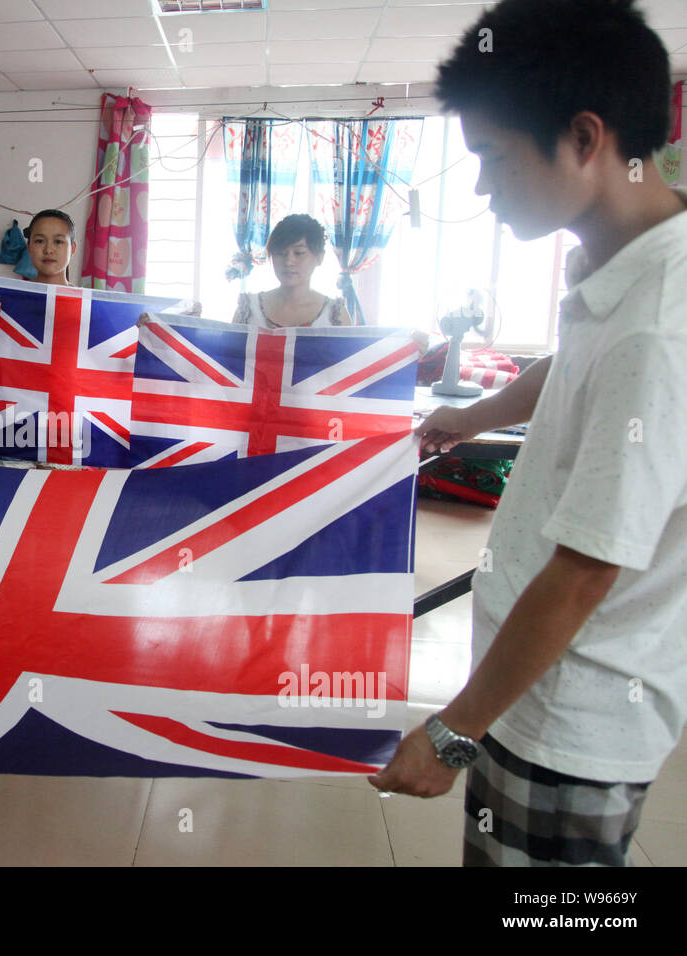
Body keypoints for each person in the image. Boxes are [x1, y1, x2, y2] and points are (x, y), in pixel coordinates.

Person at [370, 0, 687, 868]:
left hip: (572, 712)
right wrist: (469, 418)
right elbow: (568, 362)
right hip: (536, 685)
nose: (481, 189)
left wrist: (454, 731)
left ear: (585, 138)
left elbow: (587, 570)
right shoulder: (625, 260)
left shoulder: (664, 325)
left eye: (492, 158)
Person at [232, 214, 353, 328]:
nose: (289, 262)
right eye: (281, 253)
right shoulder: (248, 311)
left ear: (319, 257)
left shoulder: (335, 316)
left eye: (299, 253)